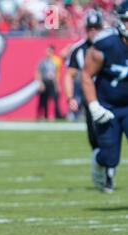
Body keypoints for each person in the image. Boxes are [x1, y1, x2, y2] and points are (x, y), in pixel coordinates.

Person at [82, 1, 128, 193]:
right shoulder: (106, 45)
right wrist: (94, 106)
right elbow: (86, 75)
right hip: (108, 106)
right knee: (110, 158)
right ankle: (99, 161)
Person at [64, 9, 103, 150]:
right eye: (90, 28)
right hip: (92, 100)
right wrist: (70, 97)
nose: (93, 31)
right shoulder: (78, 49)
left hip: (113, 98)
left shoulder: (112, 45)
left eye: (96, 28)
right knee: (95, 141)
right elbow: (69, 74)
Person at [35, 45, 63, 120]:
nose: (48, 53)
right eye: (47, 51)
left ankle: (51, 115)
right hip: (44, 82)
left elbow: (54, 75)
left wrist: (57, 85)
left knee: (53, 99)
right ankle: (40, 115)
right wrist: (40, 83)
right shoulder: (42, 62)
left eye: (50, 51)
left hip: (51, 83)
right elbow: (38, 73)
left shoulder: (53, 63)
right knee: (42, 100)